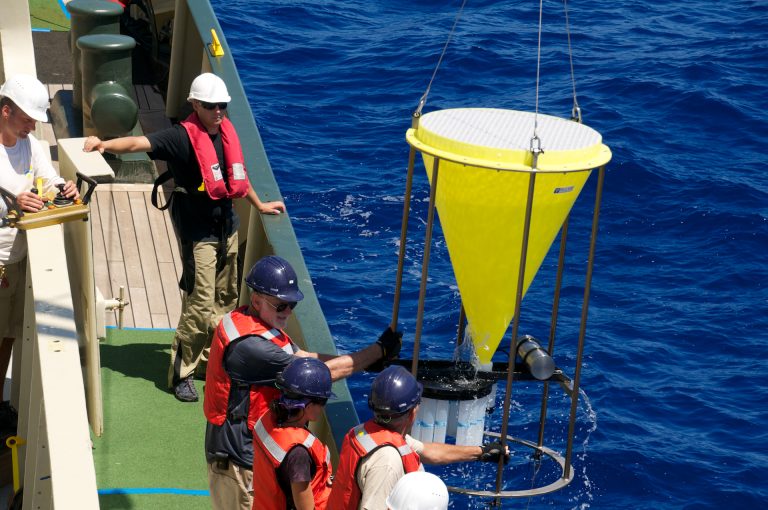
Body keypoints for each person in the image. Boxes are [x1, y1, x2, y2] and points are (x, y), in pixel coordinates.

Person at [82, 72, 287, 402]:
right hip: (198, 234)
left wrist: (260, 205)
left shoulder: (226, 134)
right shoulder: (179, 138)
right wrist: (103, 143)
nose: (218, 111)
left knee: (225, 299)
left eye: (222, 106)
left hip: (227, 228)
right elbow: (139, 143)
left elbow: (238, 179)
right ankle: (181, 373)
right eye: (210, 106)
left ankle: (208, 363)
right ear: (195, 104)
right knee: (199, 302)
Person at [204, 254, 402, 510]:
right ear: (256, 300)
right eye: (281, 306)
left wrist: (367, 360)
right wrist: (378, 351)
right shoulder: (252, 348)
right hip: (238, 463)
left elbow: (305, 358)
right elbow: (317, 376)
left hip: (250, 453)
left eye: (291, 305)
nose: (287, 312)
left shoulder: (252, 322)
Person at [0, 74, 79, 435]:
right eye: (28, 118)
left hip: (18, 258)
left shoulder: (29, 143)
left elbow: (47, 179)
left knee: (9, 334)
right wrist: (11, 204)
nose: (33, 125)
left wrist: (65, 187)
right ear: (5, 112)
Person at [327, 365, 509, 510]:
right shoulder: (387, 461)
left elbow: (429, 451)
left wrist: (481, 452)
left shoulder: (366, 433)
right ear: (413, 413)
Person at [251, 357, 334, 510]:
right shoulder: (298, 454)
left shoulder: (268, 418)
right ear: (308, 406)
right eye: (323, 401)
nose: (323, 407)